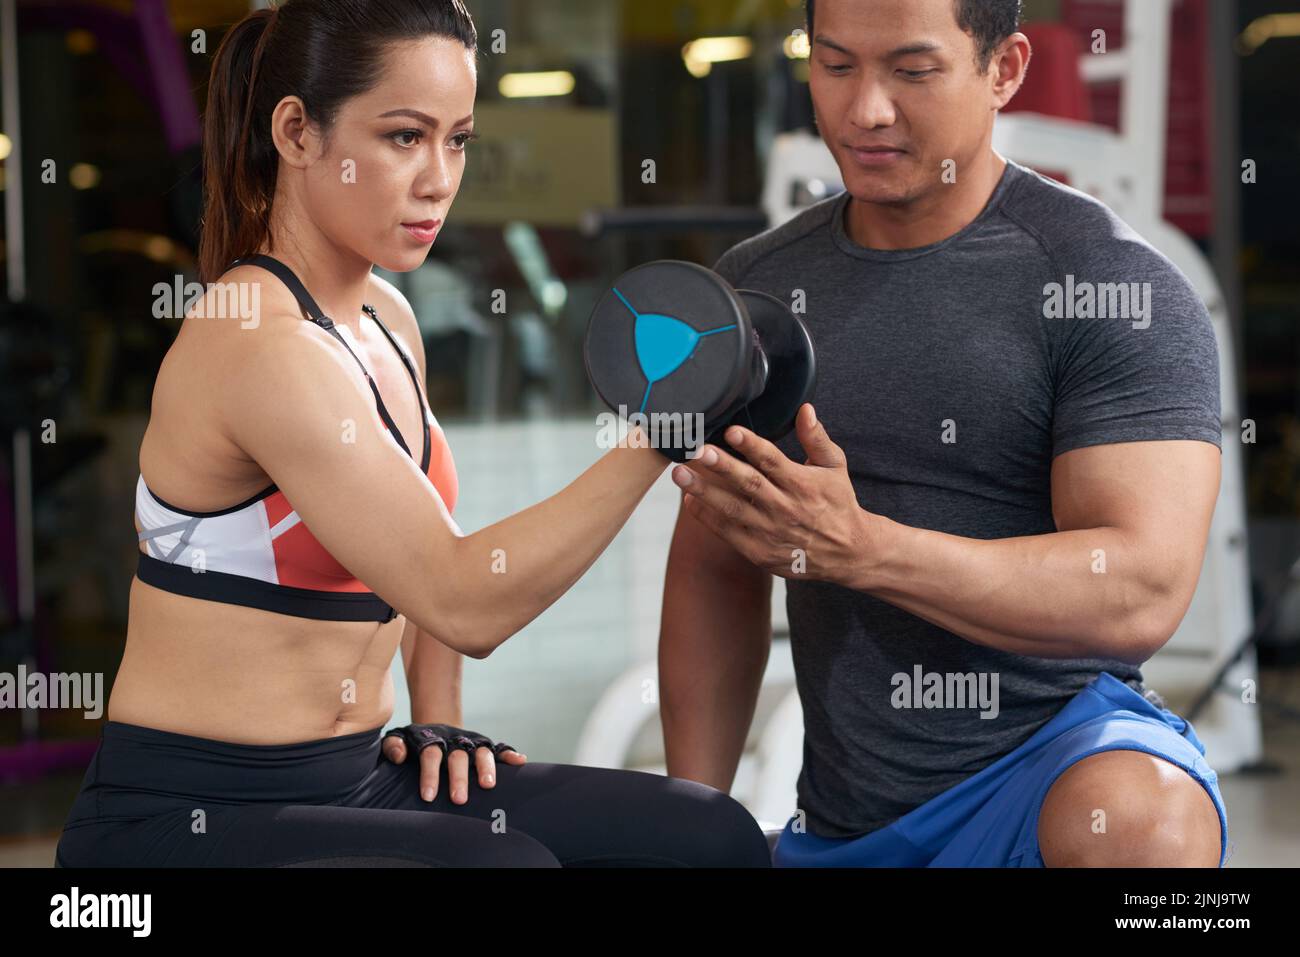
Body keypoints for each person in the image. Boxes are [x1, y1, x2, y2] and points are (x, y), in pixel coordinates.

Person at [56, 0, 770, 868]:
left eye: (458, 139)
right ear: (296, 132)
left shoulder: (387, 320)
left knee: (706, 834)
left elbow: (425, 546)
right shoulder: (258, 343)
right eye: (404, 137)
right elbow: (463, 596)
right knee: (501, 867)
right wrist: (661, 431)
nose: (439, 177)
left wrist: (439, 719)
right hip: (184, 815)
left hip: (355, 779)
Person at [660, 0, 1229, 867]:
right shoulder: (760, 289)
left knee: (1147, 822)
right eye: (837, 65)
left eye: (913, 71)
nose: (866, 111)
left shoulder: (1109, 285)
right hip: (845, 815)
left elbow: (1140, 589)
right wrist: (694, 827)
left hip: (1045, 777)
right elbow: (715, 565)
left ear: (1003, 70)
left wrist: (864, 549)